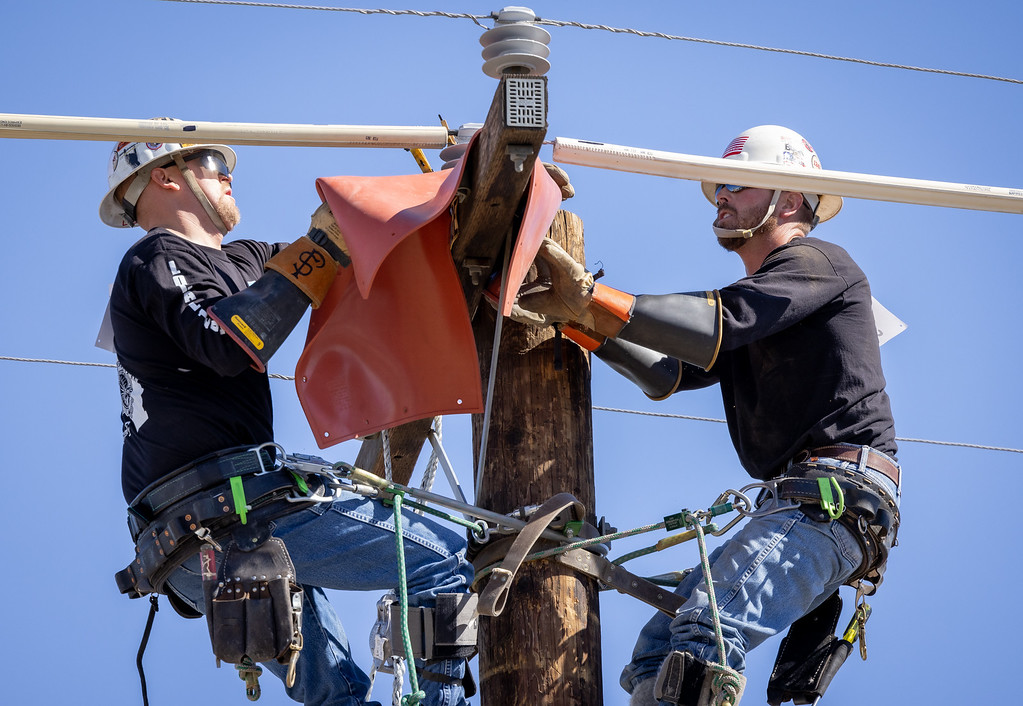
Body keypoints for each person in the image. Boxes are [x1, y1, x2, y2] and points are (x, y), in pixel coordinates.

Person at [511, 125, 901, 706]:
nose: (721, 195)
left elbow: (718, 320)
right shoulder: (768, 302)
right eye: (718, 185)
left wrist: (593, 299)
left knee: (705, 634)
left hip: (834, 498)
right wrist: (573, 320)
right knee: (656, 653)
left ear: (789, 199)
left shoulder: (819, 264)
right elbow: (667, 372)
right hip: (799, 503)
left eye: (737, 184)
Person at [102, 122, 475, 706]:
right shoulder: (154, 258)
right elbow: (229, 344)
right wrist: (322, 249)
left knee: (340, 698)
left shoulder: (247, 259)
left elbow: (349, 250)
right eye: (209, 164)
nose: (227, 174)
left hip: (209, 533)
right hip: (220, 516)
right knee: (443, 559)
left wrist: (454, 184)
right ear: (166, 177)